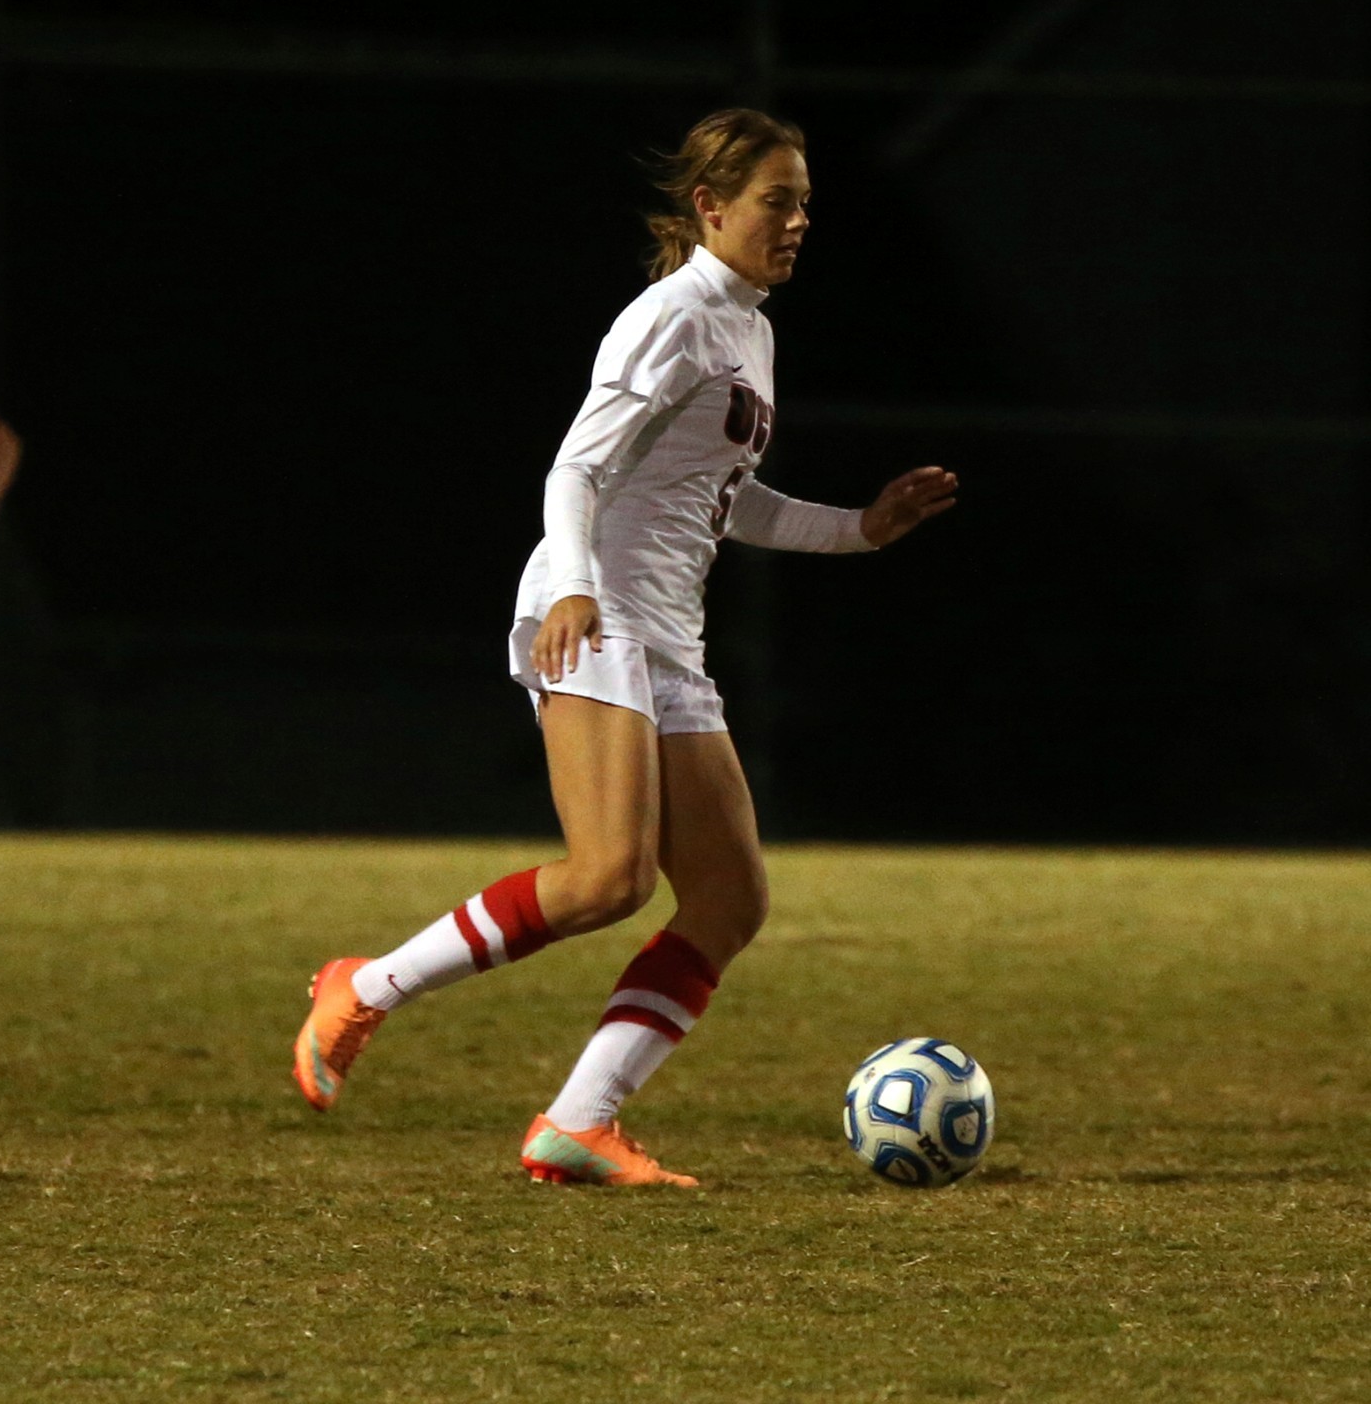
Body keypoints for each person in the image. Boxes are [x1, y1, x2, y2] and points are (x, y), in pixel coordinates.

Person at [292, 108, 958, 1186]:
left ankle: (577, 1121)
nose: (796, 222)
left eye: (805, 204)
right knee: (608, 878)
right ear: (711, 207)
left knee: (730, 898)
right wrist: (570, 587)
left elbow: (723, 500)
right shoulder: (675, 315)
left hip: (665, 638)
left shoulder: (752, 328)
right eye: (775, 201)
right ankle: (363, 987)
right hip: (594, 610)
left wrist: (859, 528)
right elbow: (575, 471)